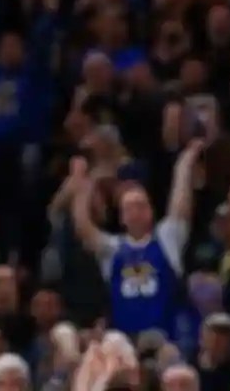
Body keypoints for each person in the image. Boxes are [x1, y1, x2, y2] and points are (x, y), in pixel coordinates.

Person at [71, 141, 201, 338]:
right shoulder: (113, 249)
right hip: (125, 341)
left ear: (151, 211)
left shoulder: (167, 239)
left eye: (141, 206)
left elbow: (180, 204)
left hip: (164, 338)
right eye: (129, 208)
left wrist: (183, 165)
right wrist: (83, 184)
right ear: (122, 217)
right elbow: (83, 227)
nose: (136, 212)